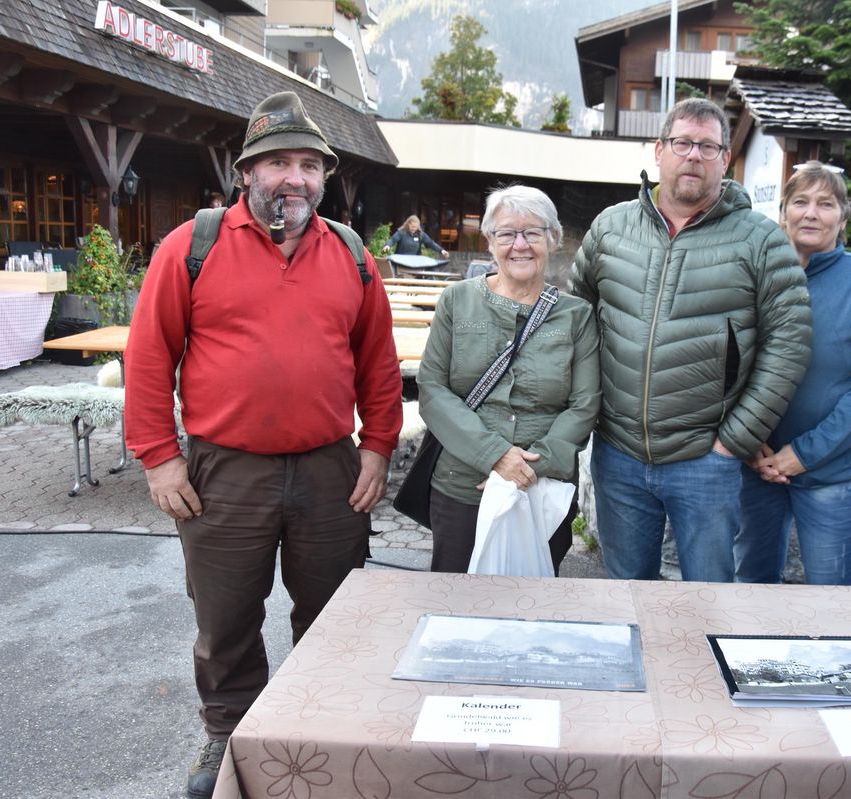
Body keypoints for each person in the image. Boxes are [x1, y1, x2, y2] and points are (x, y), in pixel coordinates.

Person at [124, 91, 402, 799]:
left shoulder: (351, 254)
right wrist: (159, 456)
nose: (295, 179)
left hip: (330, 468)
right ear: (247, 172)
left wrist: (377, 447)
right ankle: (229, 731)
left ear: (324, 178)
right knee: (225, 616)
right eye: (279, 162)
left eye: (309, 165)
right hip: (224, 470)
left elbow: (377, 363)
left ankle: (320, 726)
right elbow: (149, 356)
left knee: (333, 610)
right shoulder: (193, 245)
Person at [570, 97, 812, 583]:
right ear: (659, 149)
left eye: (708, 147)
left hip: (706, 459)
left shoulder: (761, 240)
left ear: (725, 159)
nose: (694, 156)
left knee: (708, 597)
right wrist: (588, 413)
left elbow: (789, 344)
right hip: (618, 452)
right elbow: (576, 320)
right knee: (627, 592)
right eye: (682, 143)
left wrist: (734, 440)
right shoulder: (610, 227)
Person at [735, 162, 851, 585]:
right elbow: (732, 362)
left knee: (831, 598)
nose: (811, 213)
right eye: (801, 202)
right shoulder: (759, 278)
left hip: (836, 474)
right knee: (748, 591)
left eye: (826, 204)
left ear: (842, 219)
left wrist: (804, 454)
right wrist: (749, 442)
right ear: (783, 213)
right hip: (758, 467)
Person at [417, 185, 600, 573]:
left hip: (542, 490)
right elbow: (432, 390)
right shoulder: (457, 301)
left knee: (531, 601)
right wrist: (496, 456)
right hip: (463, 484)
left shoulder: (576, 316)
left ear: (552, 239)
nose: (520, 244)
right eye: (507, 233)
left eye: (532, 232)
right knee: (455, 598)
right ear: (489, 241)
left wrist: (532, 466)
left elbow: (585, 405)